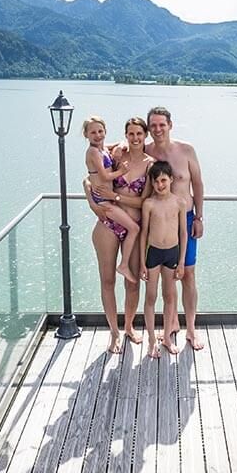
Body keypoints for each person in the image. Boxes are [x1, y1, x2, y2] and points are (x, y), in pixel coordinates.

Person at [84, 117, 152, 353]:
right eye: (130, 134)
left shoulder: (150, 164)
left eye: (139, 134)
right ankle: (113, 332)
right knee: (108, 280)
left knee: (132, 283)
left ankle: (129, 327)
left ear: (145, 136)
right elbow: (90, 176)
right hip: (108, 223)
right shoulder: (116, 154)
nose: (134, 139)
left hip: (133, 223)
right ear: (125, 135)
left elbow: (144, 201)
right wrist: (92, 201)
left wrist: (116, 198)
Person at [144, 106, 205, 350]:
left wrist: (199, 217)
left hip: (186, 220)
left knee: (188, 274)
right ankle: (171, 323)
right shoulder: (146, 152)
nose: (158, 129)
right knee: (165, 278)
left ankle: (191, 329)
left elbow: (198, 184)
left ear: (170, 125)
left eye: (162, 124)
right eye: (153, 125)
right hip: (159, 223)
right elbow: (123, 149)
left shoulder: (186, 150)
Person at [83, 116, 141, 283]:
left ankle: (123, 265)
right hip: (104, 201)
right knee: (134, 228)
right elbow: (104, 175)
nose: (97, 135)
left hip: (107, 200)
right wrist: (121, 171)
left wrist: (121, 146)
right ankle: (123, 265)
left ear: (105, 131)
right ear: (86, 135)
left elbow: (120, 143)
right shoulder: (93, 152)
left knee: (133, 228)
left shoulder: (102, 150)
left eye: (100, 131)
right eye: (93, 132)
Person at [140, 162, 187, 358]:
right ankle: (152, 340)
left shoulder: (179, 203)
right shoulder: (149, 204)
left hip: (172, 253)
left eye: (163, 180)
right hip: (154, 254)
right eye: (156, 181)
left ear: (171, 180)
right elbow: (143, 234)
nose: (160, 185)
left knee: (170, 296)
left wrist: (182, 261)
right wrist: (142, 262)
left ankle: (167, 337)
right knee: (151, 297)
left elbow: (183, 233)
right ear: (152, 182)